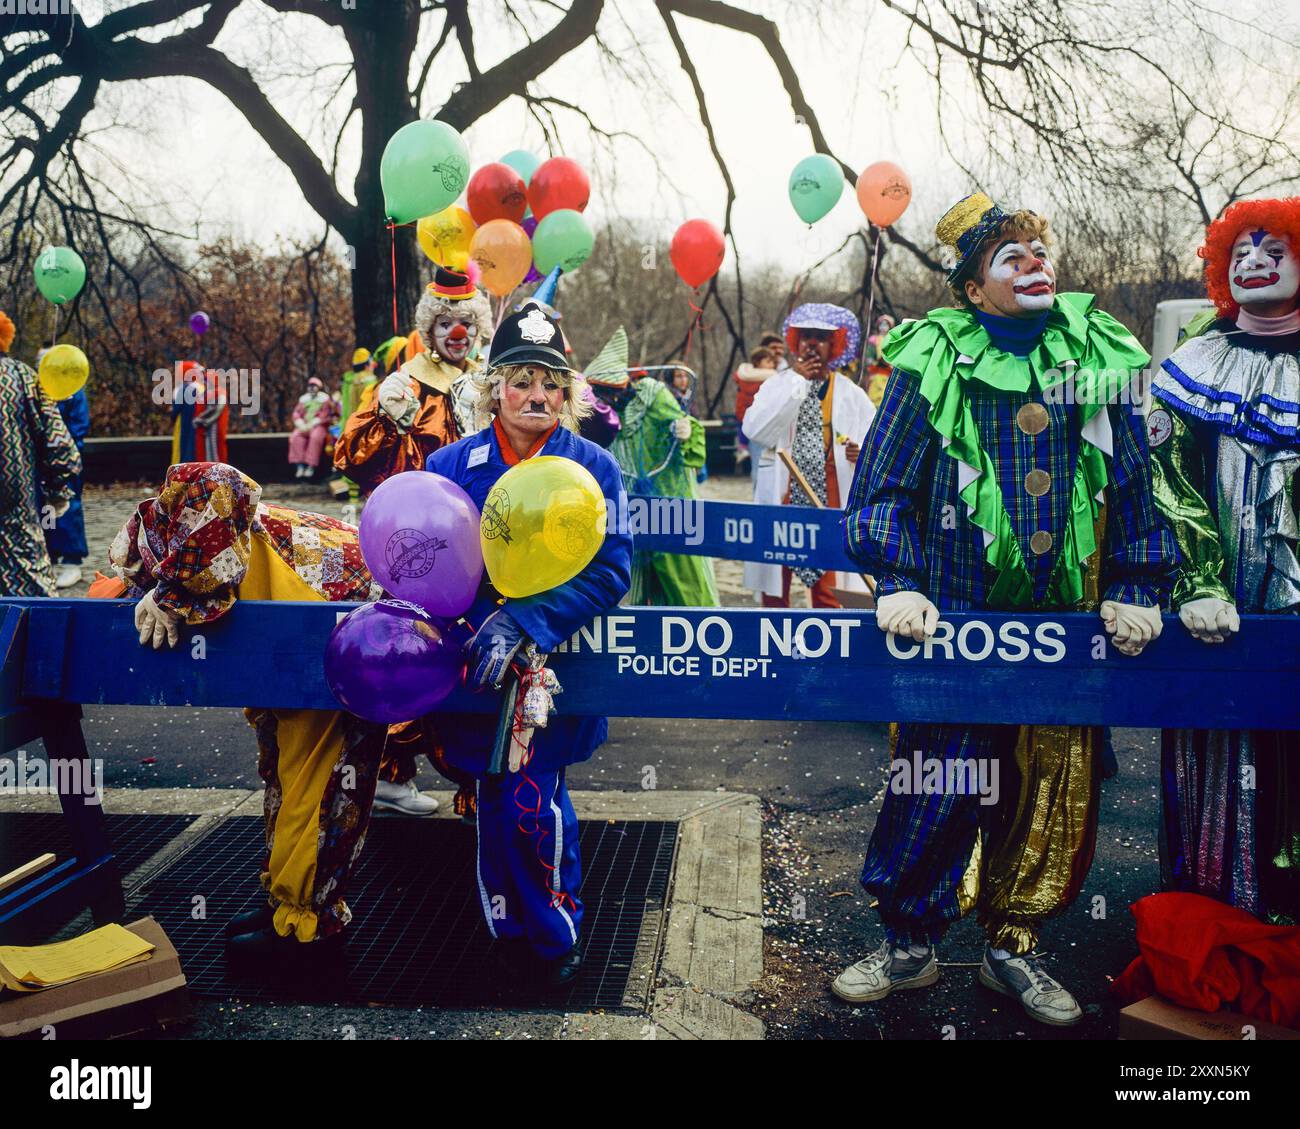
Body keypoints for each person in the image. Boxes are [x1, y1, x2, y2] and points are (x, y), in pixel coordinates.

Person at [832, 193, 1178, 1025]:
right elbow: (880, 490)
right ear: (973, 287)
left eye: (1039, 251)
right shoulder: (933, 358)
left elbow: (1136, 483)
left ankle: (1011, 947)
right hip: (952, 622)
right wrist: (899, 579)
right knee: (936, 783)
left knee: (1047, 788)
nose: (1034, 264)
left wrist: (1137, 583)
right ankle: (911, 944)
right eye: (1010, 256)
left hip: (1061, 633)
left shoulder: (1095, 356)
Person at [108, 462, 446, 967]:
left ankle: (309, 930)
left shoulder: (188, 496)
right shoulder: (181, 527)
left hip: (345, 638)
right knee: (285, 775)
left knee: (322, 782)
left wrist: (172, 592)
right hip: (298, 644)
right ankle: (284, 905)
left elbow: (230, 483)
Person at [426, 299, 632, 989]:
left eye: (552, 381)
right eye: (521, 379)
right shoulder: (450, 463)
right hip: (476, 674)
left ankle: (554, 933)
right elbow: (430, 561)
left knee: (532, 805)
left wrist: (532, 620)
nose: (537, 394)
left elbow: (613, 568)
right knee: (489, 804)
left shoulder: (594, 466)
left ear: (569, 392)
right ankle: (507, 928)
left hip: (553, 678)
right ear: (494, 388)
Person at [1149, 196, 1300, 922]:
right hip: (1215, 615)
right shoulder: (1196, 361)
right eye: (1238, 250)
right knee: (1216, 756)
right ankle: (1212, 912)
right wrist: (1199, 580)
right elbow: (1167, 480)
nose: (1253, 260)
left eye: (1273, 247)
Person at [741, 304, 875, 608]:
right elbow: (755, 430)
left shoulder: (851, 394)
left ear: (834, 346)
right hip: (784, 502)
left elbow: (877, 444)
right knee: (775, 592)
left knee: (830, 592)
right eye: (806, 337)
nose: (812, 343)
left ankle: (825, 652)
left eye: (821, 337)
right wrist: (795, 383)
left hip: (829, 503)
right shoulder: (776, 384)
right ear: (795, 343)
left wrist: (862, 452)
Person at [586, 332, 718, 606]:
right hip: (629, 506)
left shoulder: (653, 395)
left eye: (611, 391)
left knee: (682, 577)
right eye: (602, 392)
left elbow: (684, 426)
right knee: (631, 578)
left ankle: (698, 631)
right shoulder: (597, 412)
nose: (607, 399)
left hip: (670, 503)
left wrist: (684, 431)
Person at [333, 266, 491, 494]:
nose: (458, 335)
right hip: (425, 507)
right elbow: (353, 457)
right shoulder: (408, 383)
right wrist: (388, 422)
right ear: (429, 330)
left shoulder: (483, 382)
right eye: (445, 324)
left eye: (466, 324)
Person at [0, 312, 81, 597]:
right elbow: (59, 443)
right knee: (32, 596)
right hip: (15, 509)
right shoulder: (21, 377)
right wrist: (58, 490)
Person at [39, 346, 90, 589]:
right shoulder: (38, 389)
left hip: (64, 460)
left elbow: (79, 427)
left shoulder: (72, 390)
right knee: (45, 509)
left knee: (69, 507)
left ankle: (72, 561)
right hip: (41, 461)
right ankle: (48, 556)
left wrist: (63, 452)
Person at [733, 345, 778, 481]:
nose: (772, 365)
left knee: (757, 465)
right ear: (758, 362)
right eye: (768, 361)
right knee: (762, 466)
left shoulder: (744, 375)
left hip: (744, 418)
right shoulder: (767, 378)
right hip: (761, 425)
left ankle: (741, 447)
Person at [170, 360, 228, 464]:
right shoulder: (202, 388)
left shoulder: (183, 388)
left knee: (182, 449)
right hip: (201, 427)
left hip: (185, 423)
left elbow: (176, 410)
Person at [287, 375, 337, 479]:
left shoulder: (324, 400)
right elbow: (296, 413)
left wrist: (314, 423)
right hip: (304, 425)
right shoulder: (303, 400)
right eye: (310, 386)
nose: (312, 388)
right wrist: (300, 423)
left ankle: (311, 465)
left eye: (314, 386)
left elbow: (325, 415)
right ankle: (299, 465)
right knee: (296, 437)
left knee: (315, 438)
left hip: (319, 426)